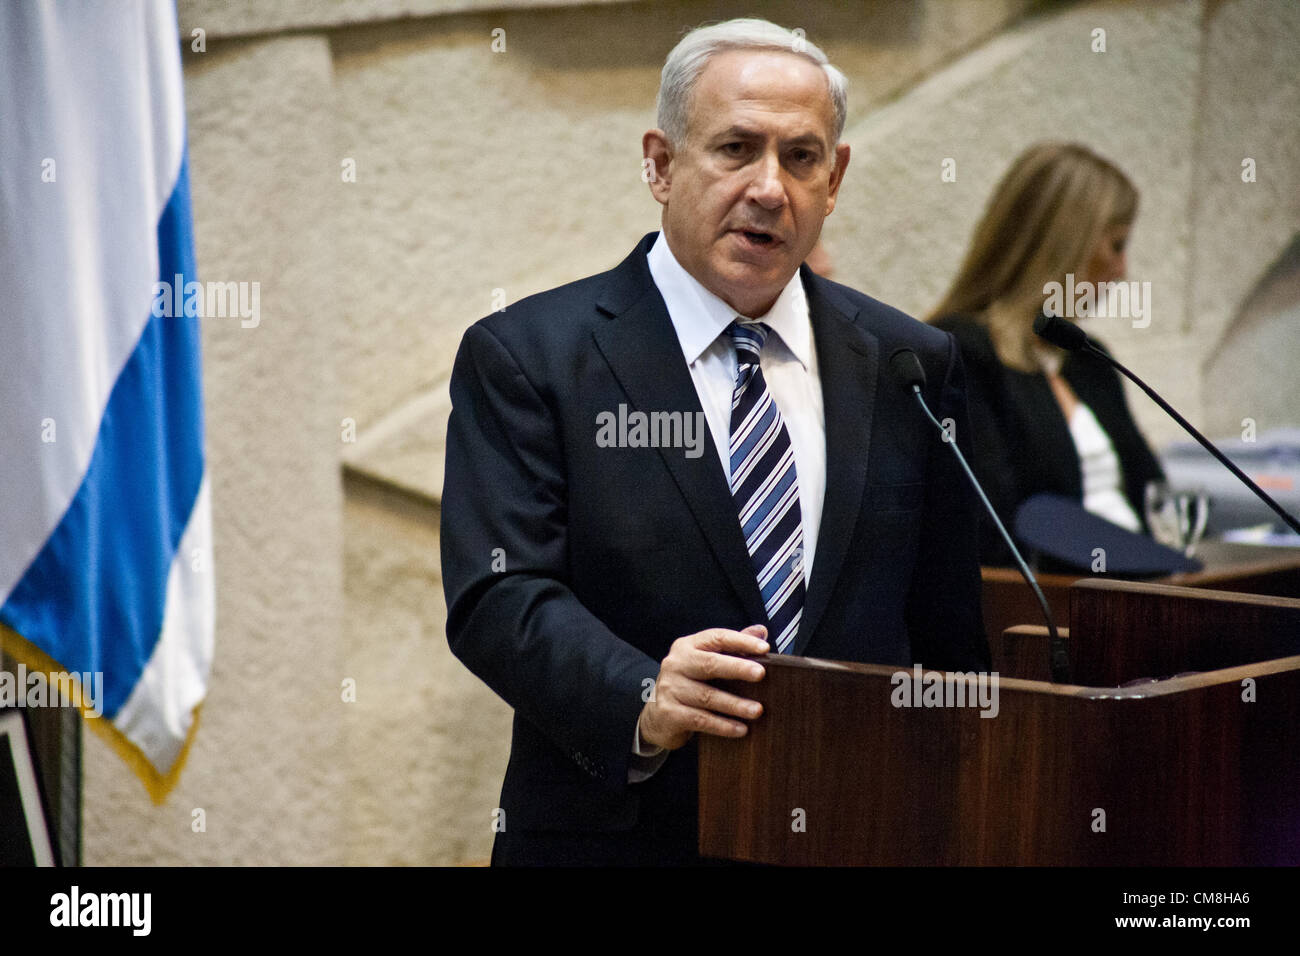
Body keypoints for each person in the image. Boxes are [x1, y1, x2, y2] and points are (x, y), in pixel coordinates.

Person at [441, 18, 990, 866]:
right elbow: (498, 599)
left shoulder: (908, 361)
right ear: (660, 165)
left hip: (855, 830)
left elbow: (947, 623)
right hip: (621, 837)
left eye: (801, 158)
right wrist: (643, 693)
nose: (770, 188)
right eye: (736, 149)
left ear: (835, 178)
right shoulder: (531, 356)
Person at [928, 142, 1164, 566]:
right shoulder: (961, 351)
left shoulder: (1089, 359)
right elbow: (995, 529)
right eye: (1116, 245)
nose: (1122, 269)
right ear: (1065, 245)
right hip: (1058, 607)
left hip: (1143, 590)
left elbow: (1153, 495)